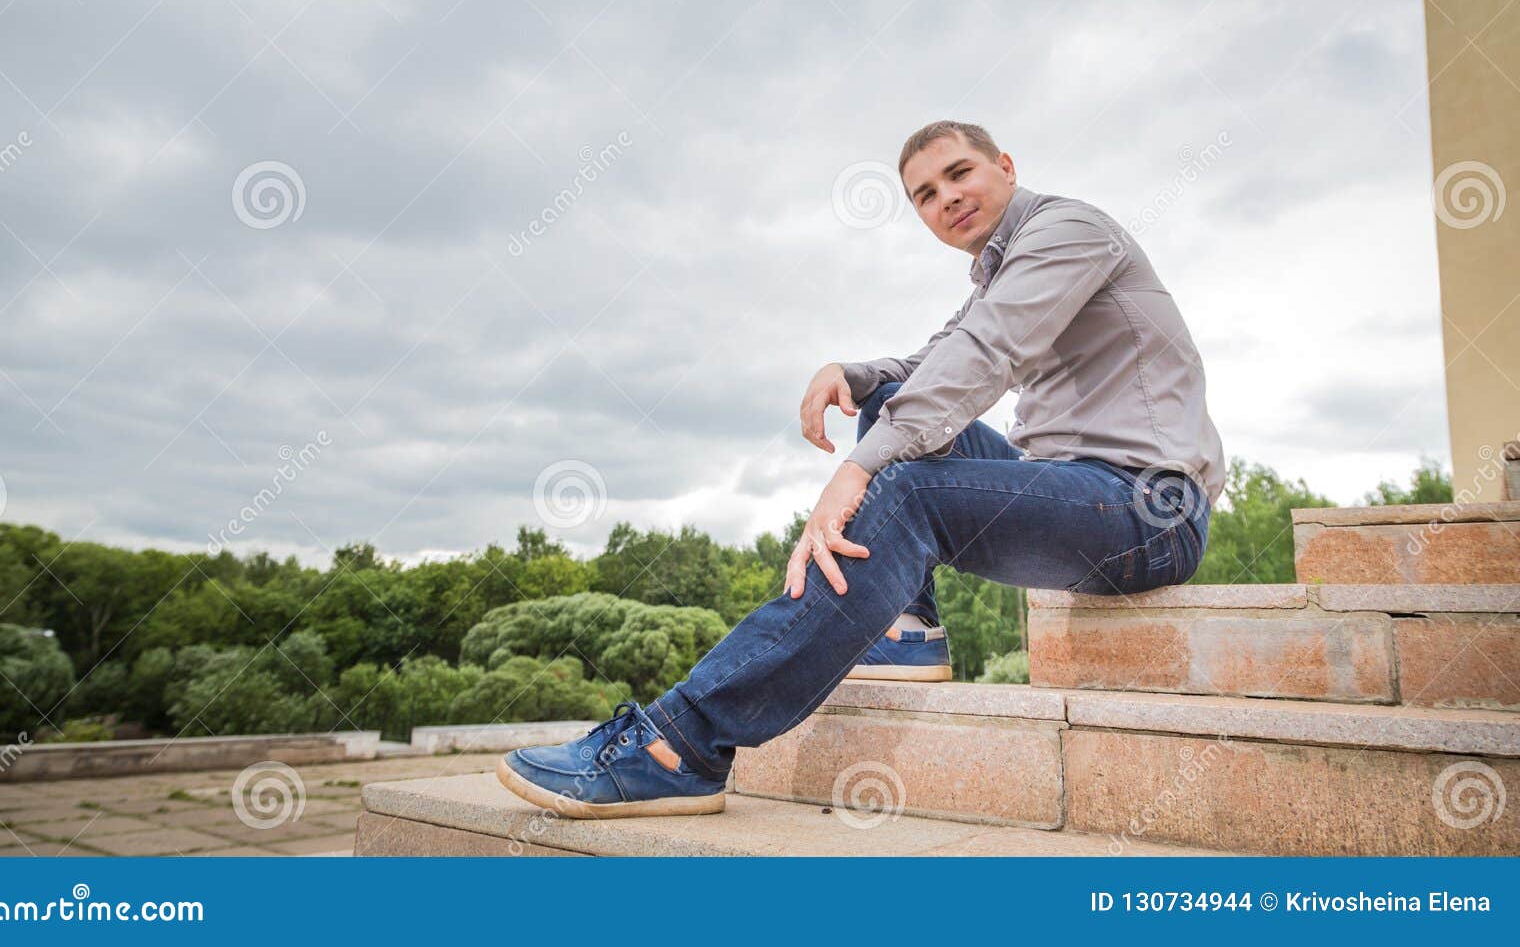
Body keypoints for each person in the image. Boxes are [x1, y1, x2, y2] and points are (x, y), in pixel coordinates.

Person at [496, 120, 1226, 818]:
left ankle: (679, 743)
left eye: (959, 173)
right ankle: (908, 631)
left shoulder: (1069, 232)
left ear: (1006, 168)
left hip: (1145, 510)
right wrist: (852, 372)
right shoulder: (1000, 270)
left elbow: (986, 352)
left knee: (906, 479)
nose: (947, 199)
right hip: (1072, 498)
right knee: (887, 398)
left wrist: (855, 471)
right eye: (926, 195)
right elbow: (940, 356)